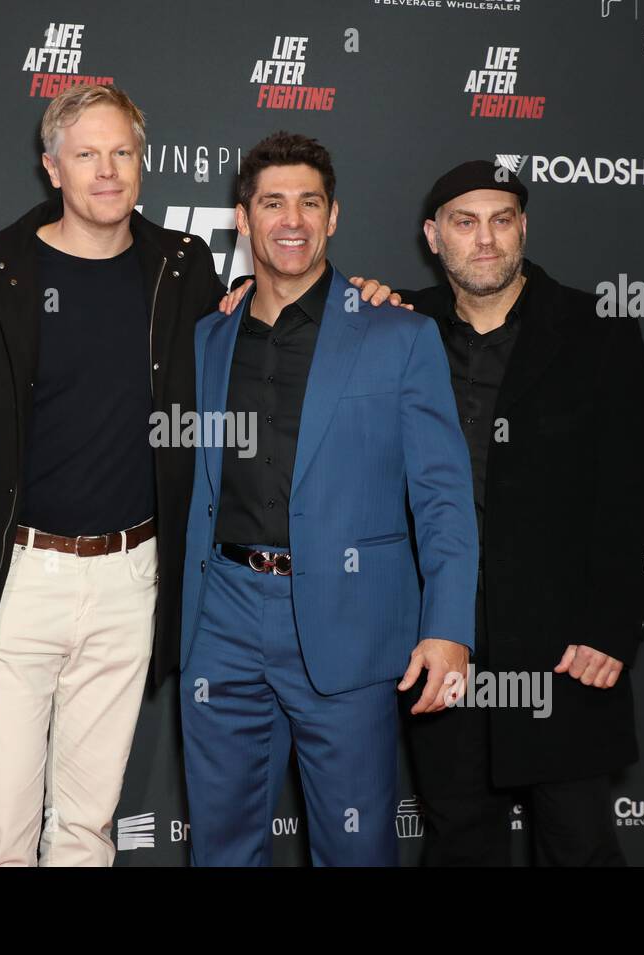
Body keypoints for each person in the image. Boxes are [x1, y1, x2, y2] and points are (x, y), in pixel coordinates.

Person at [178, 132, 478, 866]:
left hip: (350, 621)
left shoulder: (398, 335)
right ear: (242, 220)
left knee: (355, 847)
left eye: (309, 202)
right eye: (272, 202)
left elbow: (442, 494)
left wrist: (449, 630)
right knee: (221, 847)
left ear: (333, 216)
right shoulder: (206, 338)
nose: (292, 219)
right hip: (221, 613)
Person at [0, 84, 228, 866]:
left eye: (122, 153)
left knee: (87, 826)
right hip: (16, 580)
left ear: (142, 163)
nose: (107, 172)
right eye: (86, 155)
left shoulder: (182, 265)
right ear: (52, 168)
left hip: (130, 578)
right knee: (1, 826)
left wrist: (376, 297)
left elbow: (259, 331)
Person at [392, 160, 644, 866]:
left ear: (523, 228)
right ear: (433, 236)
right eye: (464, 221)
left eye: (502, 219)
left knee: (577, 842)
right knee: (458, 840)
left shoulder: (596, 330)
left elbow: (634, 493)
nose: (485, 239)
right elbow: (292, 307)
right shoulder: (398, 327)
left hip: (565, 649)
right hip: (442, 636)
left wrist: (612, 629)